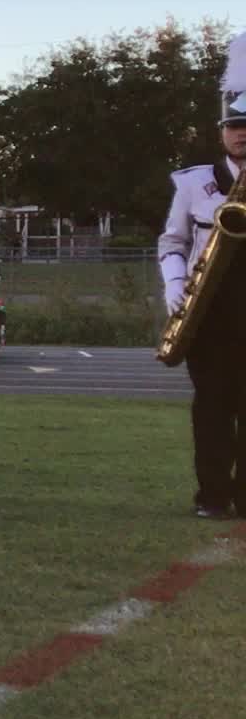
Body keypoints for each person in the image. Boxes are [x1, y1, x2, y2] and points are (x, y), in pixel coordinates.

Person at [158, 87, 246, 519]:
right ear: (221, 132)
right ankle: (212, 497)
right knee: (211, 406)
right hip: (209, 311)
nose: (241, 134)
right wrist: (173, 283)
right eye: (234, 125)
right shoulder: (194, 182)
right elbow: (172, 241)